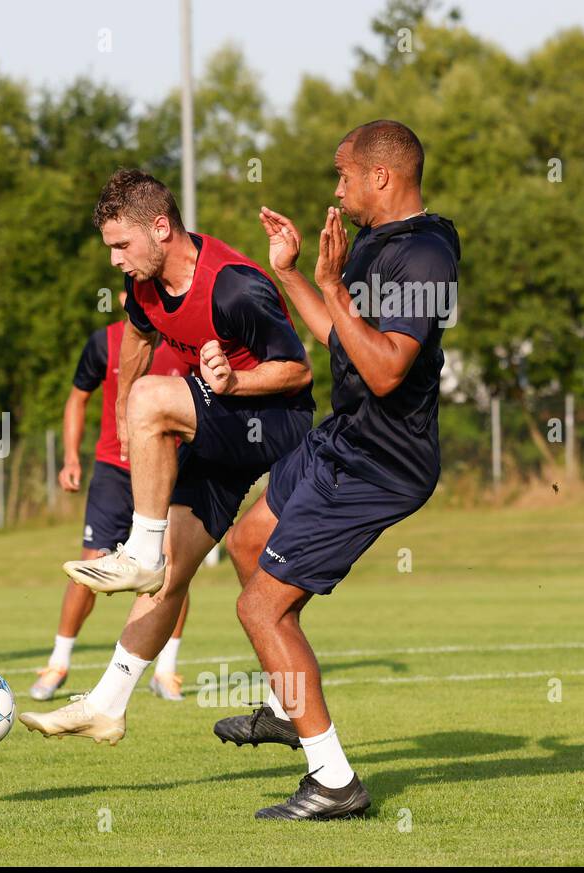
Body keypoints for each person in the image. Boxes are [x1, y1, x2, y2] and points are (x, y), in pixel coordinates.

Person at [216, 120, 458, 819]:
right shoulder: (375, 246)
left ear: (382, 176)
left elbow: (383, 370)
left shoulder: (425, 255)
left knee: (260, 606)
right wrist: (293, 272)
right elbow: (339, 338)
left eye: (343, 174)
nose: (336, 188)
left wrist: (328, 279)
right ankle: (287, 706)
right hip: (342, 438)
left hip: (381, 460)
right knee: (246, 540)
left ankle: (333, 781)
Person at [20, 169, 313, 744]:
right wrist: (128, 410)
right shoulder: (145, 287)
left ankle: (140, 550)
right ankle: (108, 703)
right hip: (221, 429)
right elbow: (137, 337)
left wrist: (229, 385)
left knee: (157, 401)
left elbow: (298, 369)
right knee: (171, 575)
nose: (115, 260)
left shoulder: (233, 285)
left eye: (121, 245)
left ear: (160, 228)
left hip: (276, 421)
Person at [29, 295, 193, 702]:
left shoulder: (186, 344)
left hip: (171, 472)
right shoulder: (104, 343)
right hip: (113, 472)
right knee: (90, 565)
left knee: (173, 567)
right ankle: (58, 661)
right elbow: (77, 398)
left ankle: (167, 671)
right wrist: (70, 456)